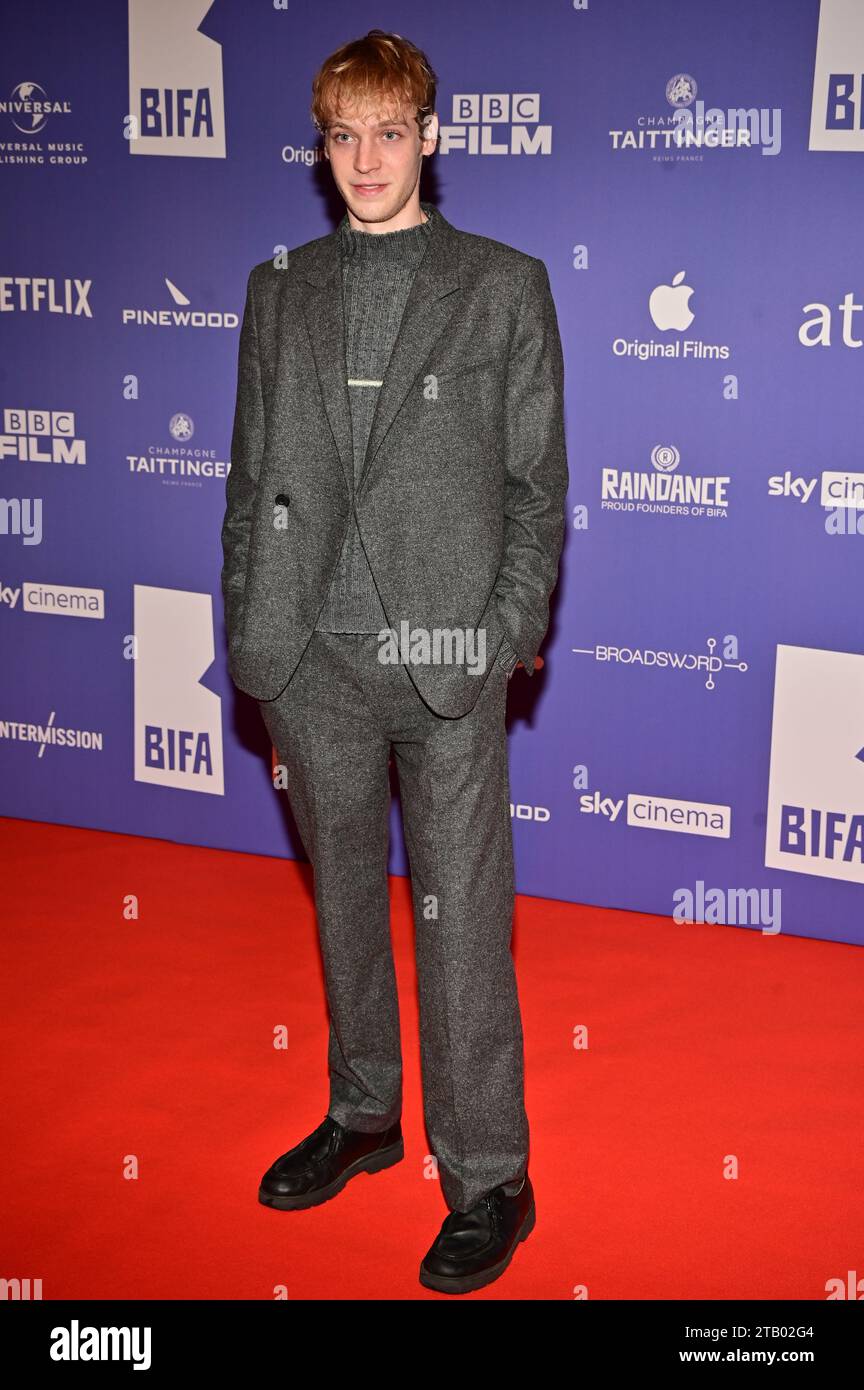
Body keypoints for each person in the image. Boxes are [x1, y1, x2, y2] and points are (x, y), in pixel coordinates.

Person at [220, 28, 568, 1295]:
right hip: (310, 658)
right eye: (341, 134)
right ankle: (364, 1112)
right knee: (346, 904)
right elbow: (251, 475)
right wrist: (253, 623)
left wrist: (504, 630)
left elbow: (538, 492)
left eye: (388, 130)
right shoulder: (280, 288)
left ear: (431, 135)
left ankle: (490, 1174)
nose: (365, 157)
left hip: (447, 660)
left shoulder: (501, 284)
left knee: (465, 922)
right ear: (321, 147)